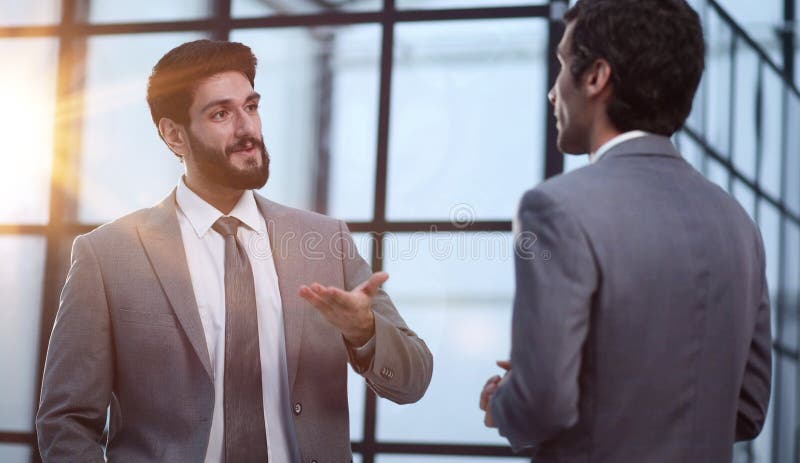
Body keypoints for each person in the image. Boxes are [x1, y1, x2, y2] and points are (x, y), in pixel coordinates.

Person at [36, 39, 433, 463]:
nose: (247, 130)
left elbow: (413, 380)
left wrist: (365, 332)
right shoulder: (107, 256)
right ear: (174, 134)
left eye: (251, 106)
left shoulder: (324, 241)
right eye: (221, 114)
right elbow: (66, 421)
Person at [479, 1, 772, 461]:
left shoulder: (556, 209)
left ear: (596, 76)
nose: (553, 93)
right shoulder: (737, 223)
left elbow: (542, 407)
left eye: (562, 65)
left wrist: (507, 400)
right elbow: (748, 410)